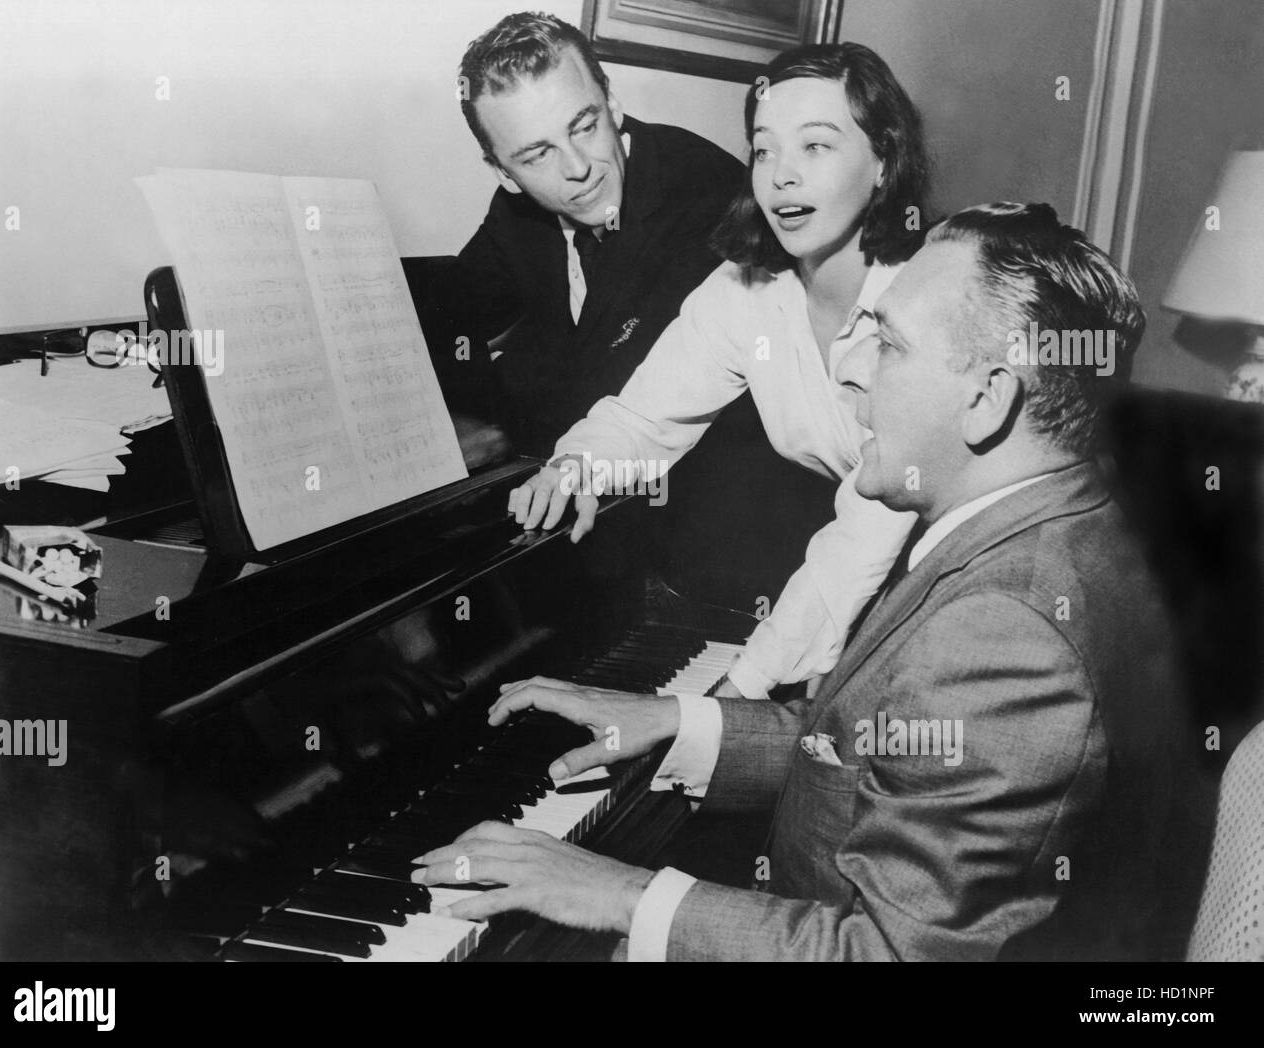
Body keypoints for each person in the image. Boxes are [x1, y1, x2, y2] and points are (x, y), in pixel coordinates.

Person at [412, 202, 1196, 961]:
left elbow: (888, 954)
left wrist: (619, 893)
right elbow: (891, 751)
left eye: (888, 344)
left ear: (988, 400)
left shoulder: (1009, 630)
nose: (847, 371)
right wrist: (682, 722)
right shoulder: (1056, 528)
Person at [507, 41, 930, 698]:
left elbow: (872, 519)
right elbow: (646, 415)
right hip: (866, 579)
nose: (781, 176)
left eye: (815, 146)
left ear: (883, 160)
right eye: (764, 150)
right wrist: (577, 466)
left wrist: (742, 688)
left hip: (968, 578)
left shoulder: (925, 302)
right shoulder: (747, 290)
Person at [434, 11, 829, 609]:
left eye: (584, 126)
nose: (576, 168)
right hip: (595, 503)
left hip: (723, 554)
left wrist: (499, 428)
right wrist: (445, 420)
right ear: (503, 172)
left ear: (612, 104)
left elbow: (633, 398)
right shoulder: (517, 212)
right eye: (536, 154)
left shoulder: (708, 200)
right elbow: (451, 314)